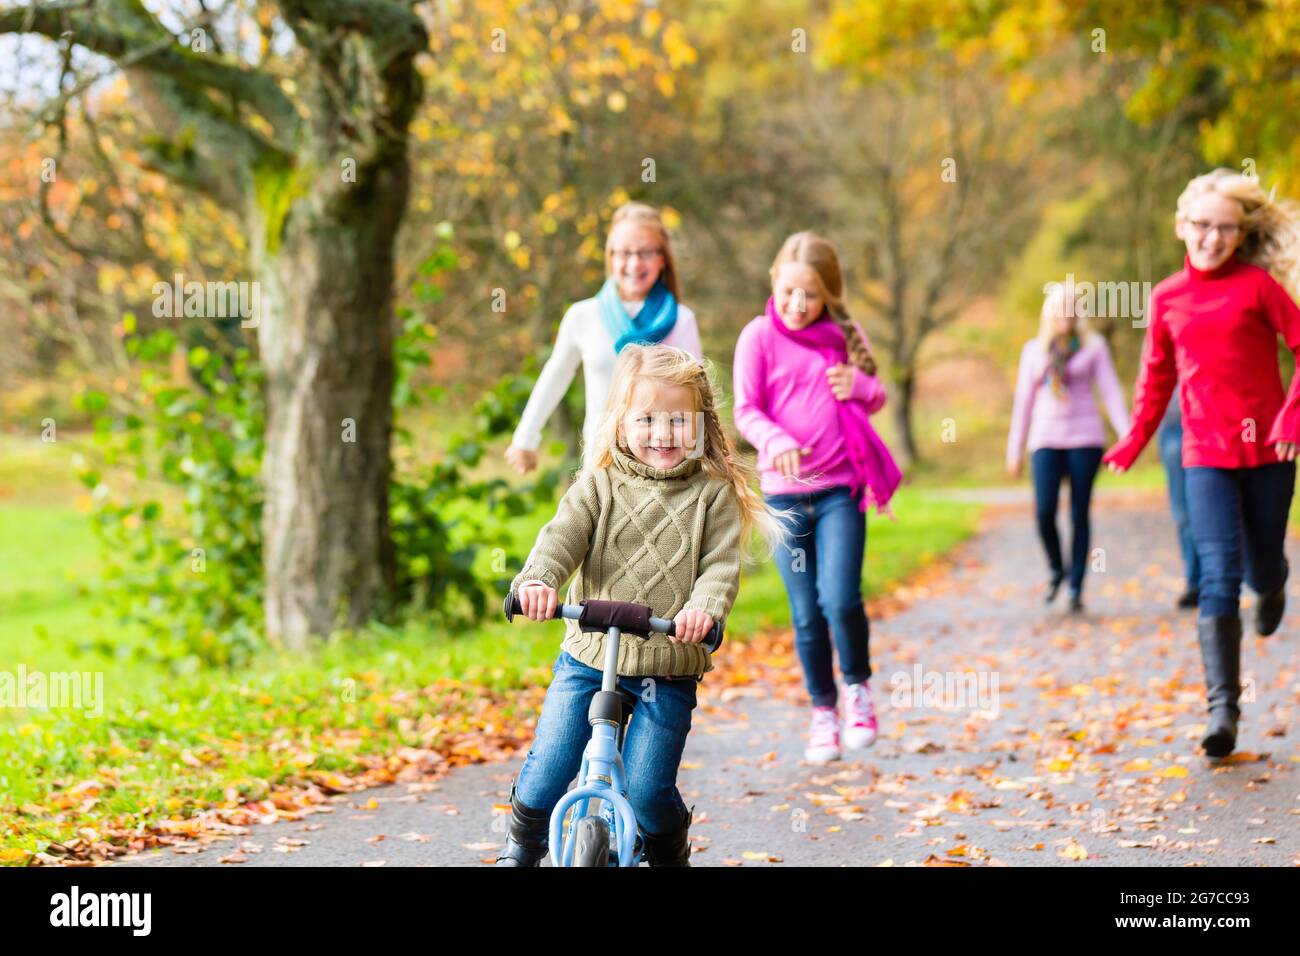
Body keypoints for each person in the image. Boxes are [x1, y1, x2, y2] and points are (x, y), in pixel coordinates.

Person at [496, 344, 784, 866]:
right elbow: (561, 540)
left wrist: (704, 610)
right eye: (647, 419)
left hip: (666, 666)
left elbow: (720, 568)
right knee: (548, 769)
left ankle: (669, 853)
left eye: (678, 421)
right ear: (620, 422)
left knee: (650, 789)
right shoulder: (597, 486)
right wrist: (538, 581)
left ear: (700, 425)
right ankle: (520, 848)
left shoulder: (711, 495)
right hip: (588, 655)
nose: (663, 433)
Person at [1104, 168, 1300, 759]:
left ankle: (1273, 585)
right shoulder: (1166, 296)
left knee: (1261, 564)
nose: (1212, 238)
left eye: (1226, 229)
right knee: (1216, 574)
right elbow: (1156, 374)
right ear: (1181, 226)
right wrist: (1136, 437)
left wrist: (1292, 415)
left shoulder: (1259, 287)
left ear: (1240, 235)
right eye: (1202, 226)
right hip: (1205, 453)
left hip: (1269, 450)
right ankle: (1222, 710)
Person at [733, 231, 901, 766]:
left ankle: (857, 691)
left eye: (809, 295)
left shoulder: (845, 337)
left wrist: (860, 386)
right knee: (805, 614)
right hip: (785, 498)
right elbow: (745, 409)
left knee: (841, 599)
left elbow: (876, 394)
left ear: (828, 293)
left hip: (839, 491)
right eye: (788, 293)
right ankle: (822, 711)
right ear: (773, 284)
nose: (797, 305)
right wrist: (775, 439)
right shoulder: (758, 336)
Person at [505, 202, 701, 474]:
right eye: (624, 253)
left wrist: (702, 459)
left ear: (662, 257)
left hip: (663, 464)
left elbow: (697, 397)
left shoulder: (681, 320)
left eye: (645, 252)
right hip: (601, 461)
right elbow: (556, 375)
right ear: (610, 256)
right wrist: (525, 438)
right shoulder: (583, 316)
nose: (634, 263)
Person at [1006, 284, 1130, 612]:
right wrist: (1014, 450)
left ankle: (1075, 584)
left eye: (1072, 308)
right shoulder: (1034, 351)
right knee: (1044, 511)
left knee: (1079, 513)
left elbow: (1111, 392)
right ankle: (1055, 568)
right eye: (1060, 308)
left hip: (1085, 439)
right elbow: (1024, 403)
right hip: (1045, 439)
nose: (1067, 314)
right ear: (1049, 312)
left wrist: (1128, 435)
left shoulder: (1093, 348)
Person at [1158, 385, 1201, 609]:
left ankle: (1218, 577)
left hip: (1210, 420)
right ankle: (1195, 580)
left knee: (1209, 508)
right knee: (1183, 513)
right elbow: (1151, 383)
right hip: (1173, 426)